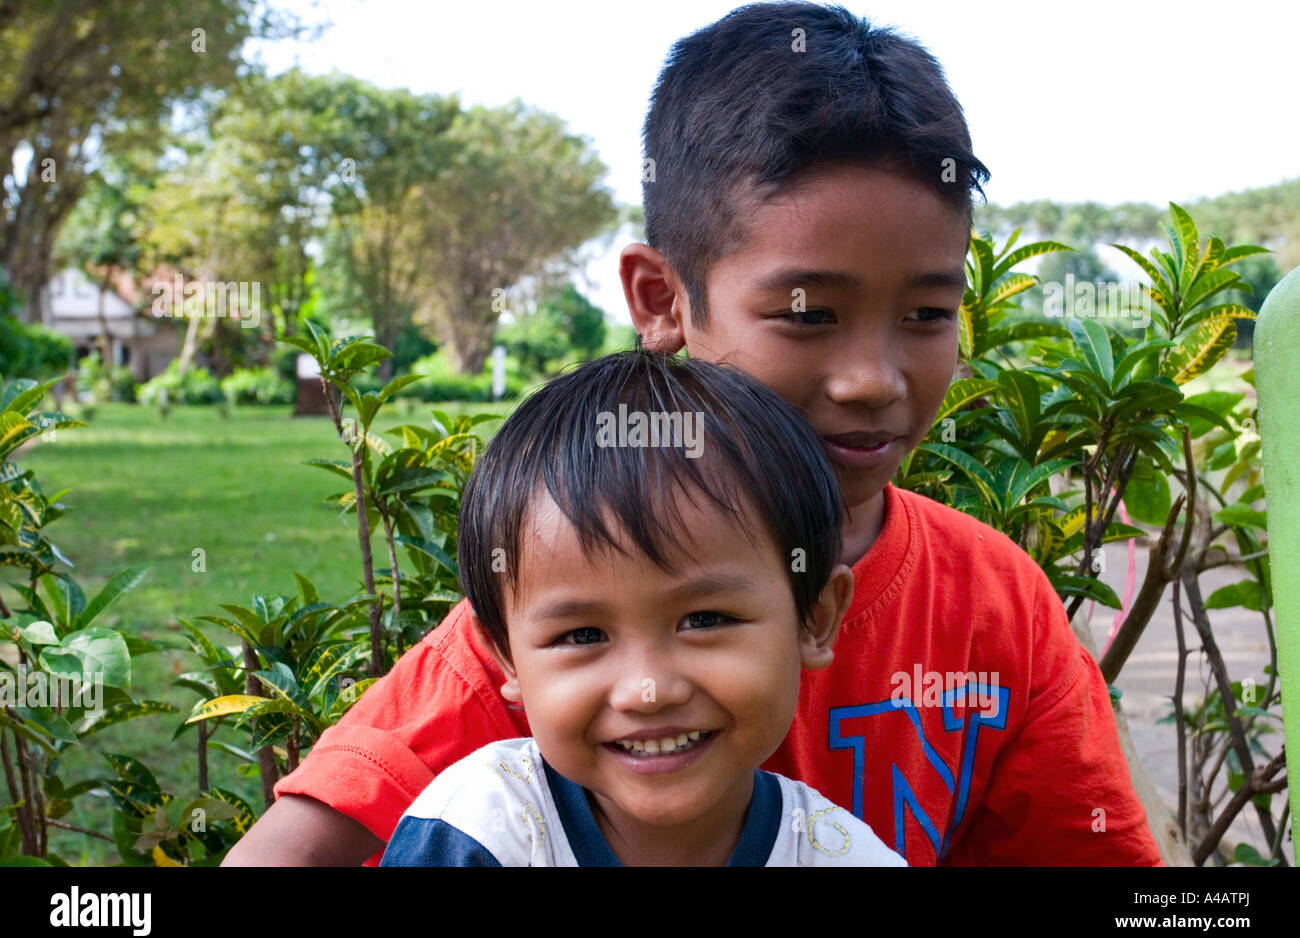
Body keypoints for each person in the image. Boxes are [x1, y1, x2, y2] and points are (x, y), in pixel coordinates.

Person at [224, 2, 1161, 866]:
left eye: (925, 314)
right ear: (662, 300)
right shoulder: (570, 598)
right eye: (808, 314)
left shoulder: (994, 607)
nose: (873, 380)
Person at [380, 351, 905, 866]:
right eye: (583, 635)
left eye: (704, 620)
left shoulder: (841, 854)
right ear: (507, 657)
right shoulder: (478, 835)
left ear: (813, 619)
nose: (647, 691)